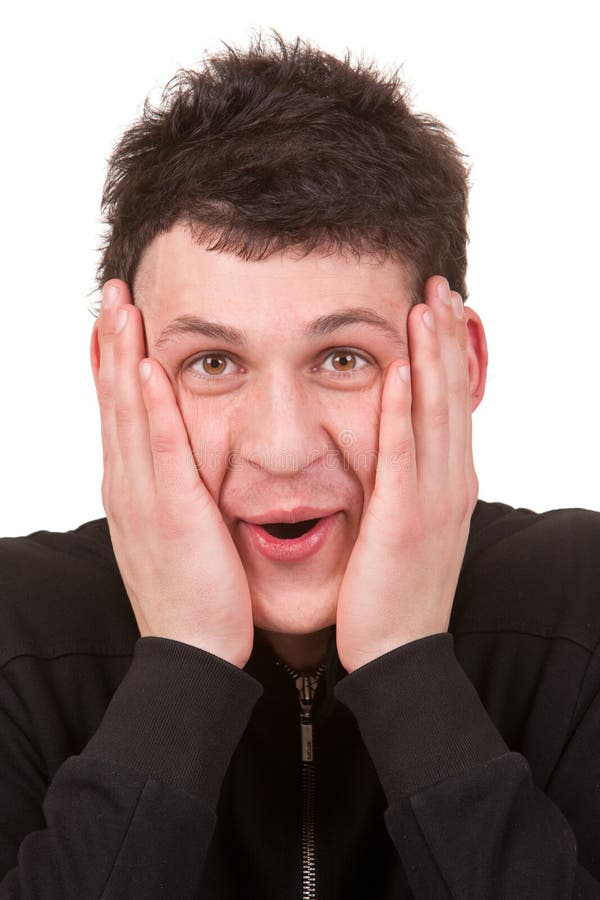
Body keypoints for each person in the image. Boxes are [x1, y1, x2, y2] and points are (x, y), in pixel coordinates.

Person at [1, 32, 599, 899]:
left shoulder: (582, 610)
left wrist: (407, 663)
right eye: (212, 362)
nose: (283, 448)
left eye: (344, 358)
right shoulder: (16, 631)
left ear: (459, 366)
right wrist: (183, 664)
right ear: (114, 377)